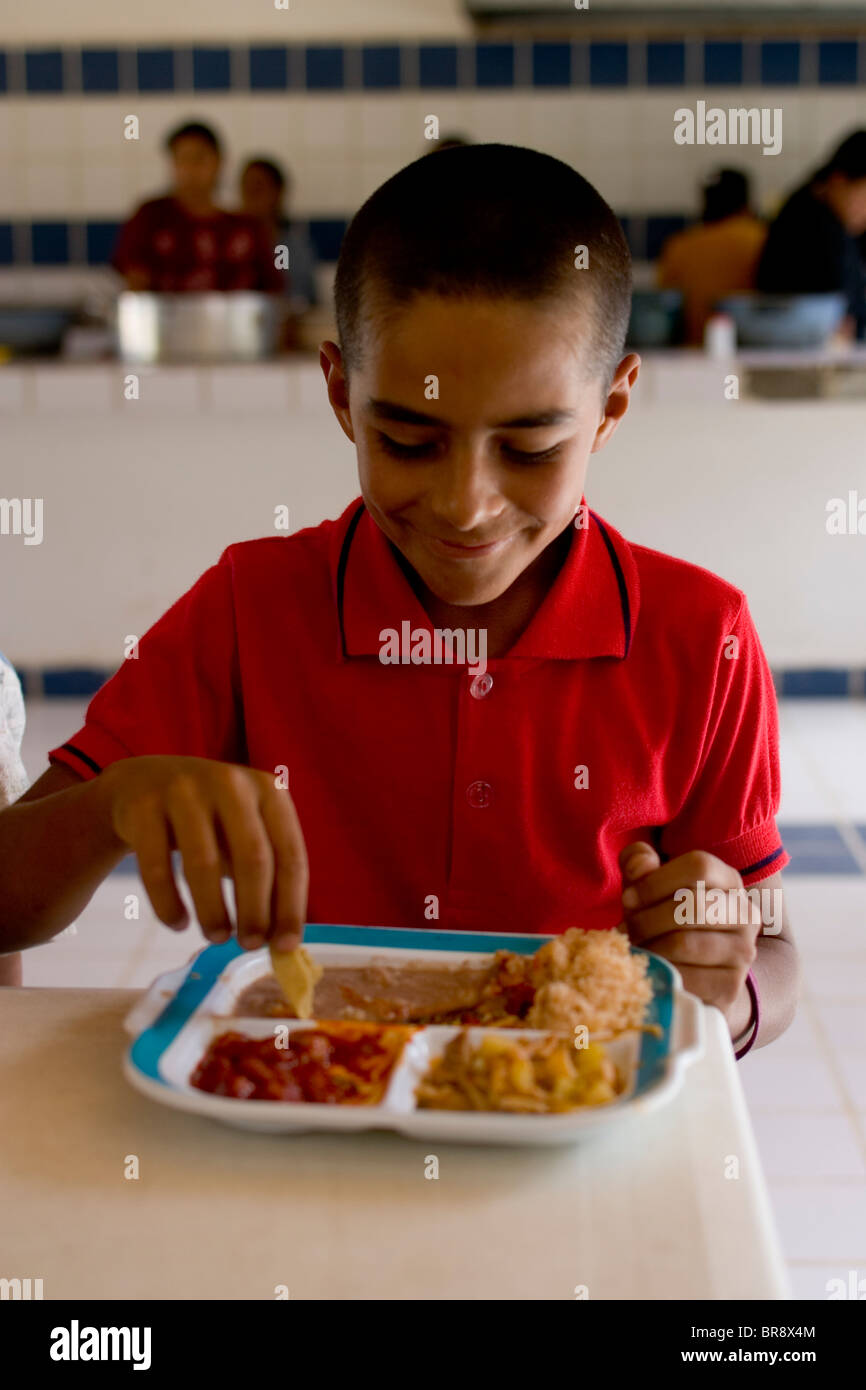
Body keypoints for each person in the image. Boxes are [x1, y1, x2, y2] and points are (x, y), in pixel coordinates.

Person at [0, 145, 799, 1052]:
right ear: (342, 394)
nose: (467, 503)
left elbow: (772, 948)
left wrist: (726, 988)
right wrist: (116, 802)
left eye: (530, 449)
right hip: (305, 1111)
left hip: (577, 1121)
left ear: (611, 409)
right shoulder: (250, 608)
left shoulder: (702, 635)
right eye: (410, 441)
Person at [113, 121, 283, 294]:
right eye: (182, 159)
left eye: (199, 158)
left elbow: (272, 293)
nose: (190, 169)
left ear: (219, 162)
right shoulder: (151, 217)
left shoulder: (246, 229)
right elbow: (135, 283)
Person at [757, 129, 866, 338]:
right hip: (798, 346)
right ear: (838, 181)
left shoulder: (841, 222)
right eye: (864, 199)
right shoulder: (805, 221)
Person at [656, 169, 767, 345]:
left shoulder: (680, 246)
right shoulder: (762, 239)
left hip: (695, 352)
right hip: (757, 348)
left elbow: (665, 306)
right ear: (746, 203)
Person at [239, 157, 319, 312]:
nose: (250, 197)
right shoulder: (233, 244)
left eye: (258, 188)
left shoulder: (291, 245)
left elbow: (301, 296)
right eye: (245, 188)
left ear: (278, 192)